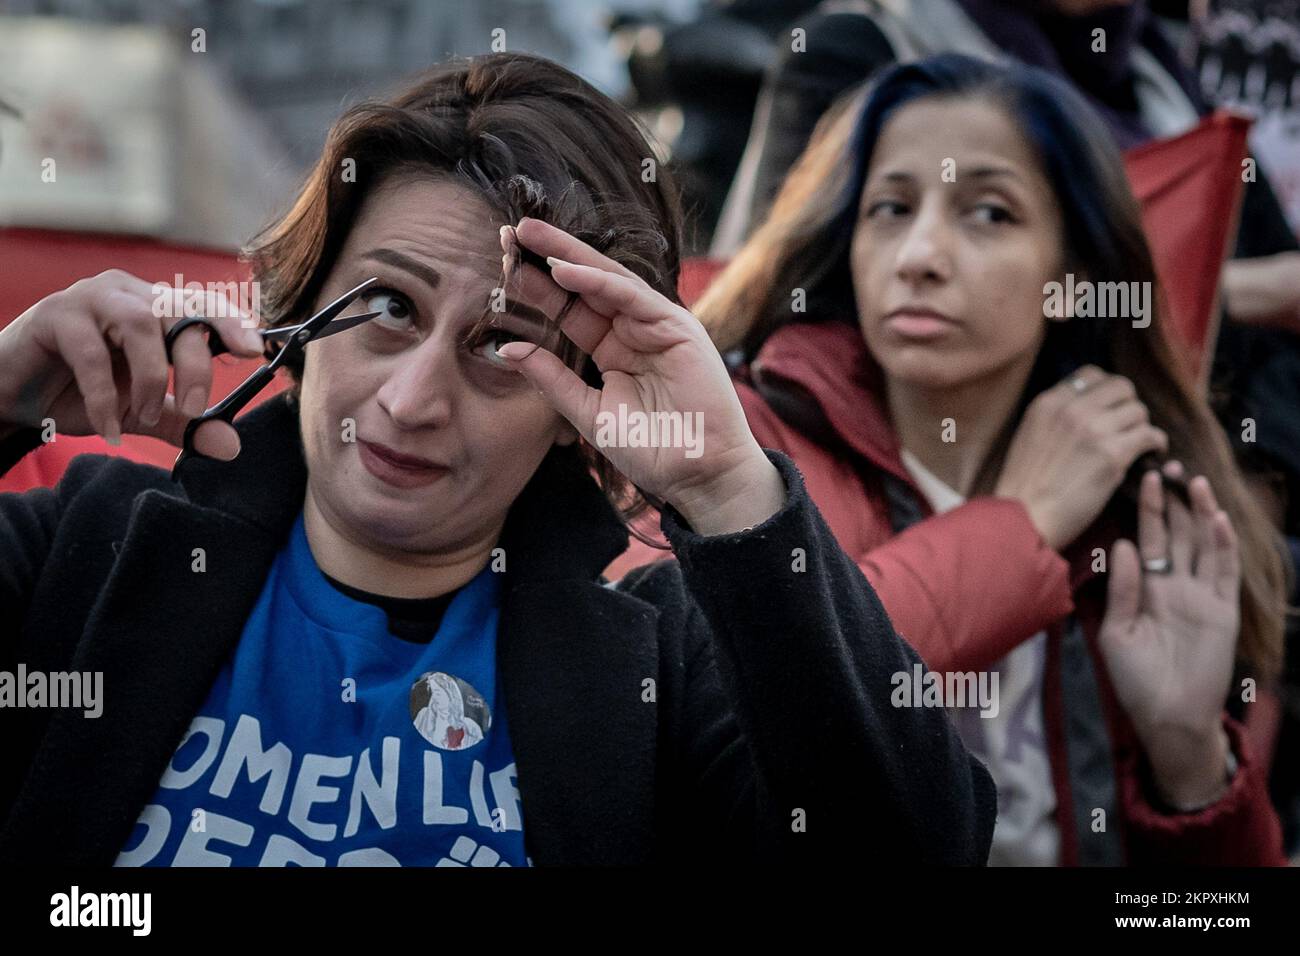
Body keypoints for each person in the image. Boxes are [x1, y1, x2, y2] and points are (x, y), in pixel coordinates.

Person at [0, 52, 994, 867]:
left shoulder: (665, 661)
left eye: (499, 344)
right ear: (297, 318)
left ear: (579, 407)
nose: (412, 401)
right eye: (389, 307)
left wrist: (728, 486)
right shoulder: (87, 545)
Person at [645, 53, 1291, 865]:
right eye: (889, 208)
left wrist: (1191, 757)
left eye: (988, 214)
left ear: (1075, 271)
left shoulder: (1137, 498)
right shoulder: (736, 443)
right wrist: (1015, 531)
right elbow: (719, 711)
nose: (920, 255)